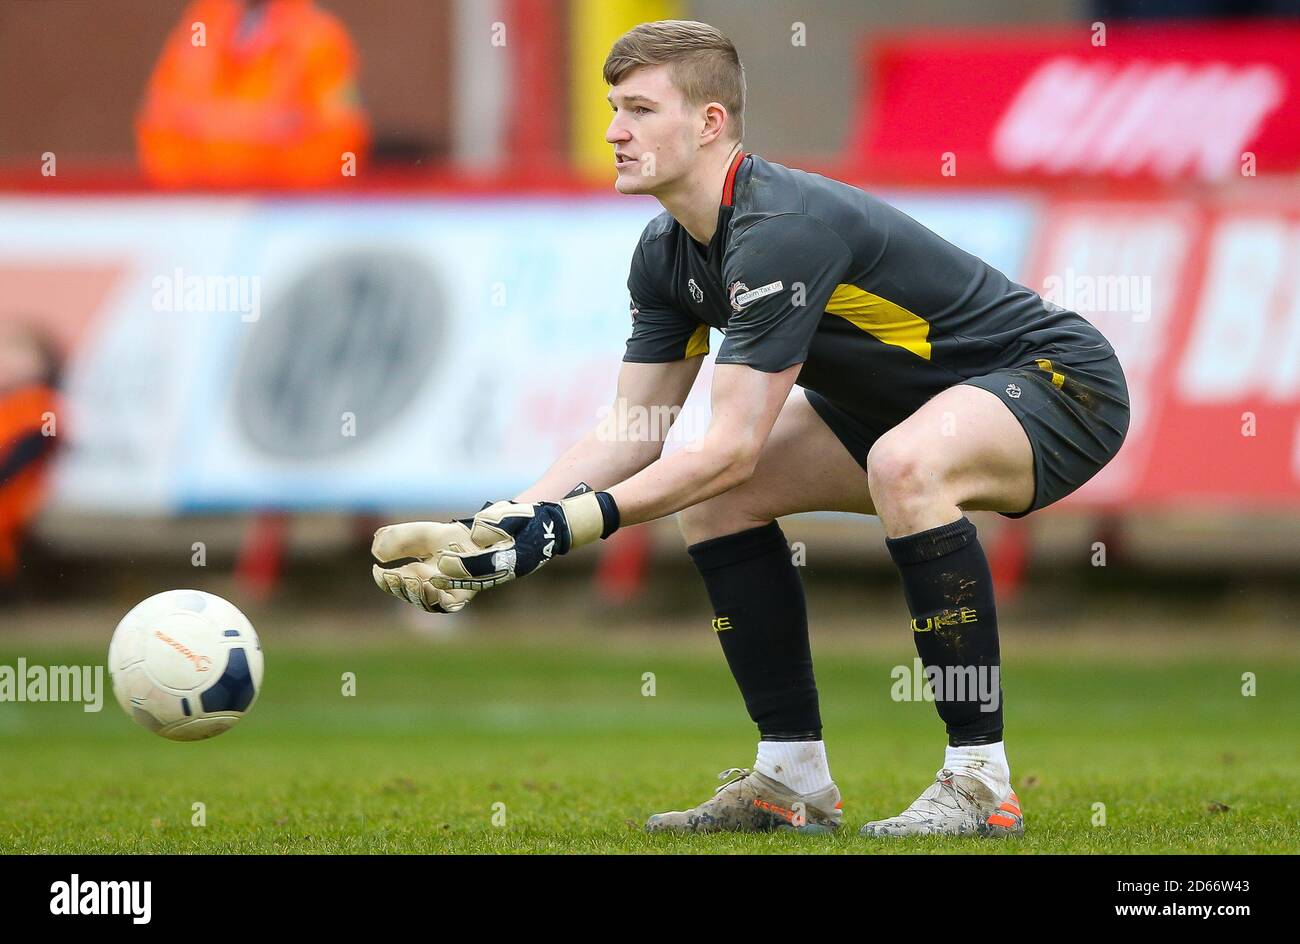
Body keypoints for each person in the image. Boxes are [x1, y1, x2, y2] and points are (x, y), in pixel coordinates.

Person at [371, 20, 1130, 838]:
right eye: (611, 109)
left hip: (1058, 384)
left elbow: (728, 444)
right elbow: (637, 428)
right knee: (721, 504)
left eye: (638, 110)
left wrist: (562, 532)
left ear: (710, 124)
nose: (613, 132)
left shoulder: (778, 231)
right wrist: (498, 524)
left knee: (903, 466)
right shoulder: (666, 252)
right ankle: (790, 783)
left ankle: (980, 782)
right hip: (900, 412)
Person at [136, 0, 369, 188]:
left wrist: (276, 181)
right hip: (201, 215)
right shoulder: (196, 33)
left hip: (285, 215)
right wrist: (192, 187)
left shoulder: (318, 37)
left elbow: (343, 138)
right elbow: (159, 124)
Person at [0, 324, 62, 592]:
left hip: (11, 509)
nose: (7, 361)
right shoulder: (8, 405)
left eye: (19, 353)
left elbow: (20, 457)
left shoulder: (40, 405)